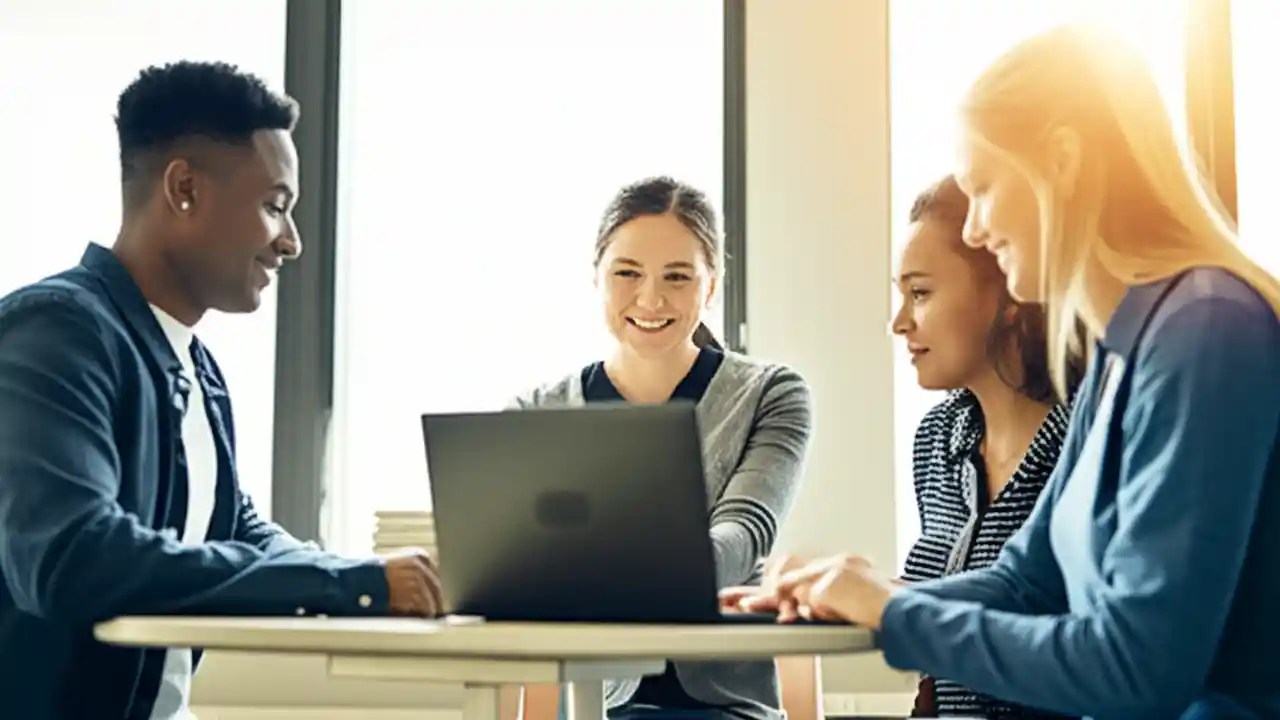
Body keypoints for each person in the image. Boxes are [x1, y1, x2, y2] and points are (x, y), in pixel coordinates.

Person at [726, 24, 1280, 720]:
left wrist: (894, 614)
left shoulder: (1207, 329)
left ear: (1065, 161)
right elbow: (1026, 583)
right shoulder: (1121, 354)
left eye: (983, 188)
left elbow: (1139, 667)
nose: (975, 229)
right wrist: (850, 595)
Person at [0, 61, 444, 720]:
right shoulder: (55, 332)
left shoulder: (196, 366)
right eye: (275, 206)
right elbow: (73, 556)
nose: (291, 242)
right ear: (184, 189)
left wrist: (389, 577)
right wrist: (349, 583)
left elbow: (235, 527)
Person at [514, 176, 813, 720]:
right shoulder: (538, 410)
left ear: (711, 286)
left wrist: (597, 572)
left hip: (724, 710)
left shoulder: (771, 394)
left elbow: (743, 535)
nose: (651, 300)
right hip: (588, 706)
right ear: (597, 278)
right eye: (627, 273)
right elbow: (517, 567)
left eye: (677, 277)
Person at [893, 175, 1078, 720]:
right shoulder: (937, 441)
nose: (899, 322)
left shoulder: (1087, 437)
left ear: (1009, 291)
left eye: (920, 293)